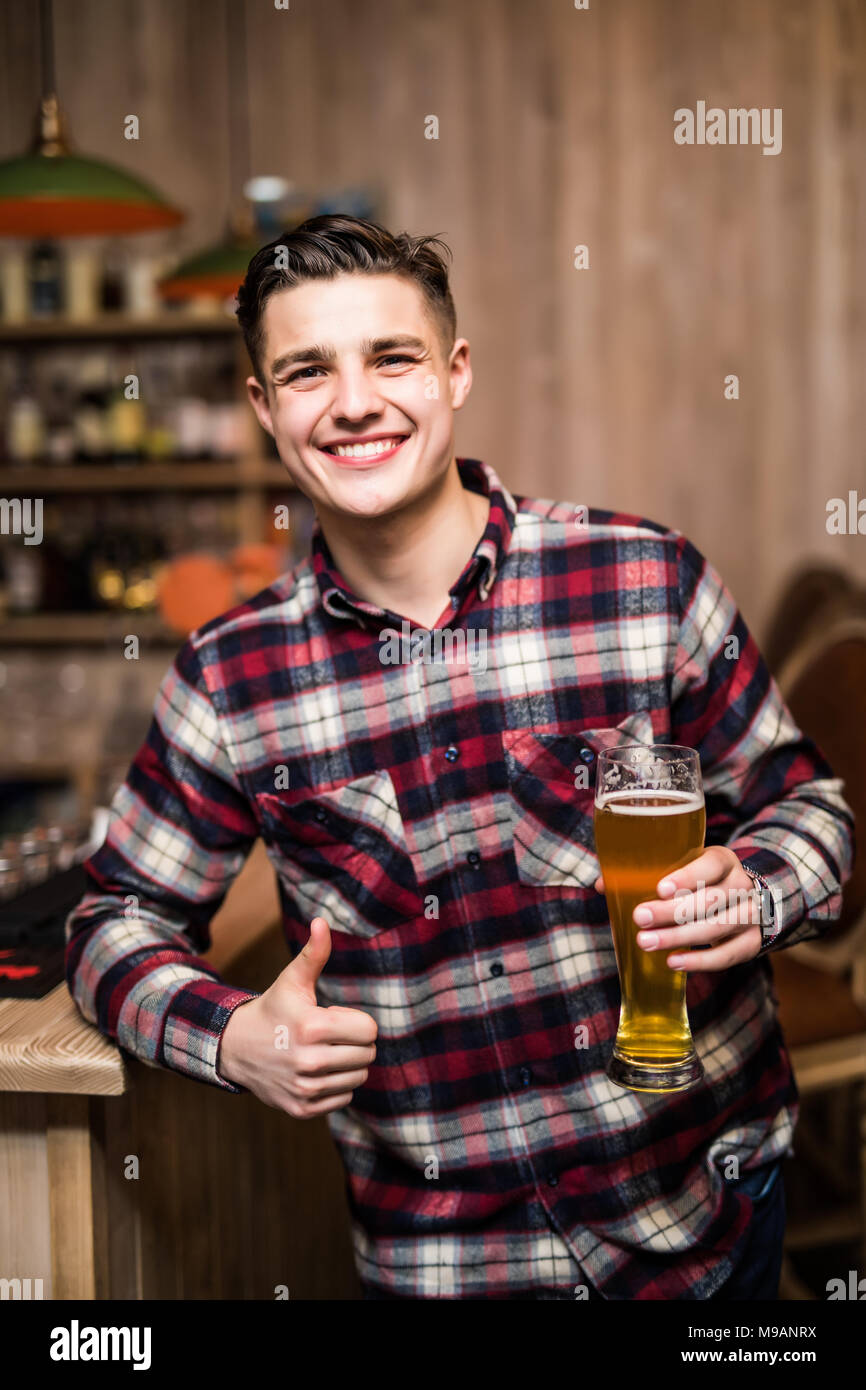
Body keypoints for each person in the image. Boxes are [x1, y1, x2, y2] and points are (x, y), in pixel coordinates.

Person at [65, 214, 854, 1301]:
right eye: (305, 371)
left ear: (454, 370)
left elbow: (809, 807)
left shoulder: (642, 575)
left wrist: (757, 890)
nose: (351, 402)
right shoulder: (226, 677)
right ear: (262, 408)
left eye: (390, 357)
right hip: (444, 1266)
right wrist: (232, 1034)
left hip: (704, 1214)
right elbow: (110, 922)